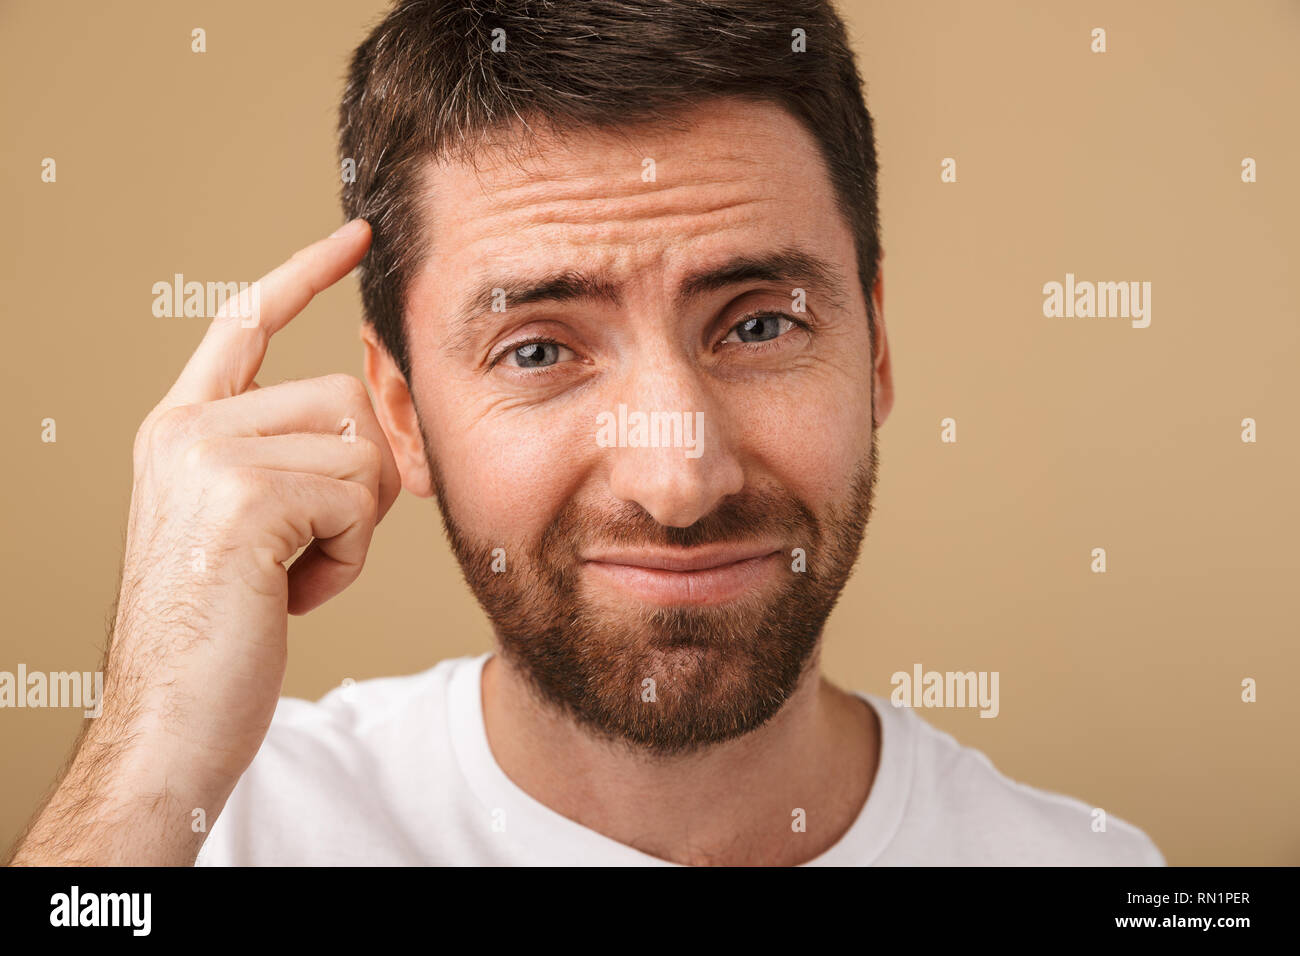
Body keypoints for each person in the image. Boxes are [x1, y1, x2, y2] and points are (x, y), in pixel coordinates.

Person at [9, 0, 1163, 867]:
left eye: (758, 323)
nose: (678, 480)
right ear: (403, 417)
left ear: (874, 356)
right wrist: (147, 752)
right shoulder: (209, 838)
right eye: (539, 348)